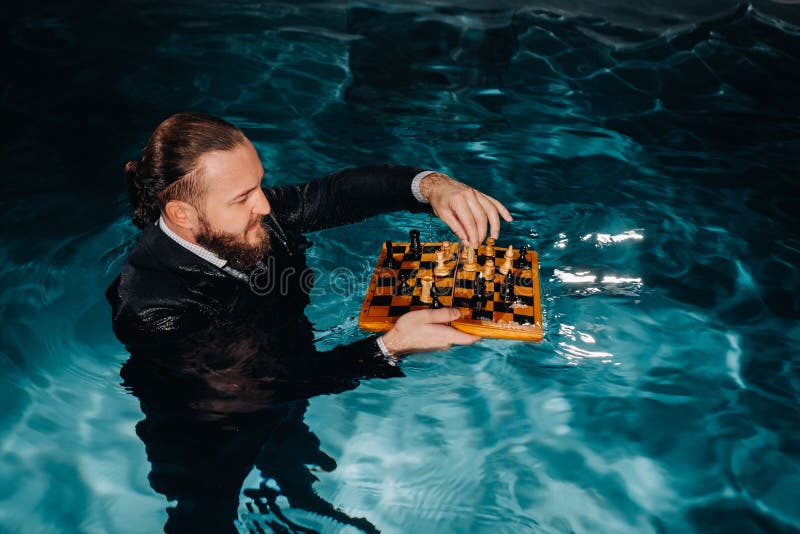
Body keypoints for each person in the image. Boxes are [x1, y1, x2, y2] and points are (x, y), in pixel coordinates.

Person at [107, 111, 512, 360]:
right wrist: (390, 347)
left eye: (260, 185)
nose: (265, 207)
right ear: (181, 213)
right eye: (243, 197)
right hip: (213, 436)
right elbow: (258, 391)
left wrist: (433, 187)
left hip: (294, 358)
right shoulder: (154, 312)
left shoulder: (250, 213)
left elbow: (339, 192)